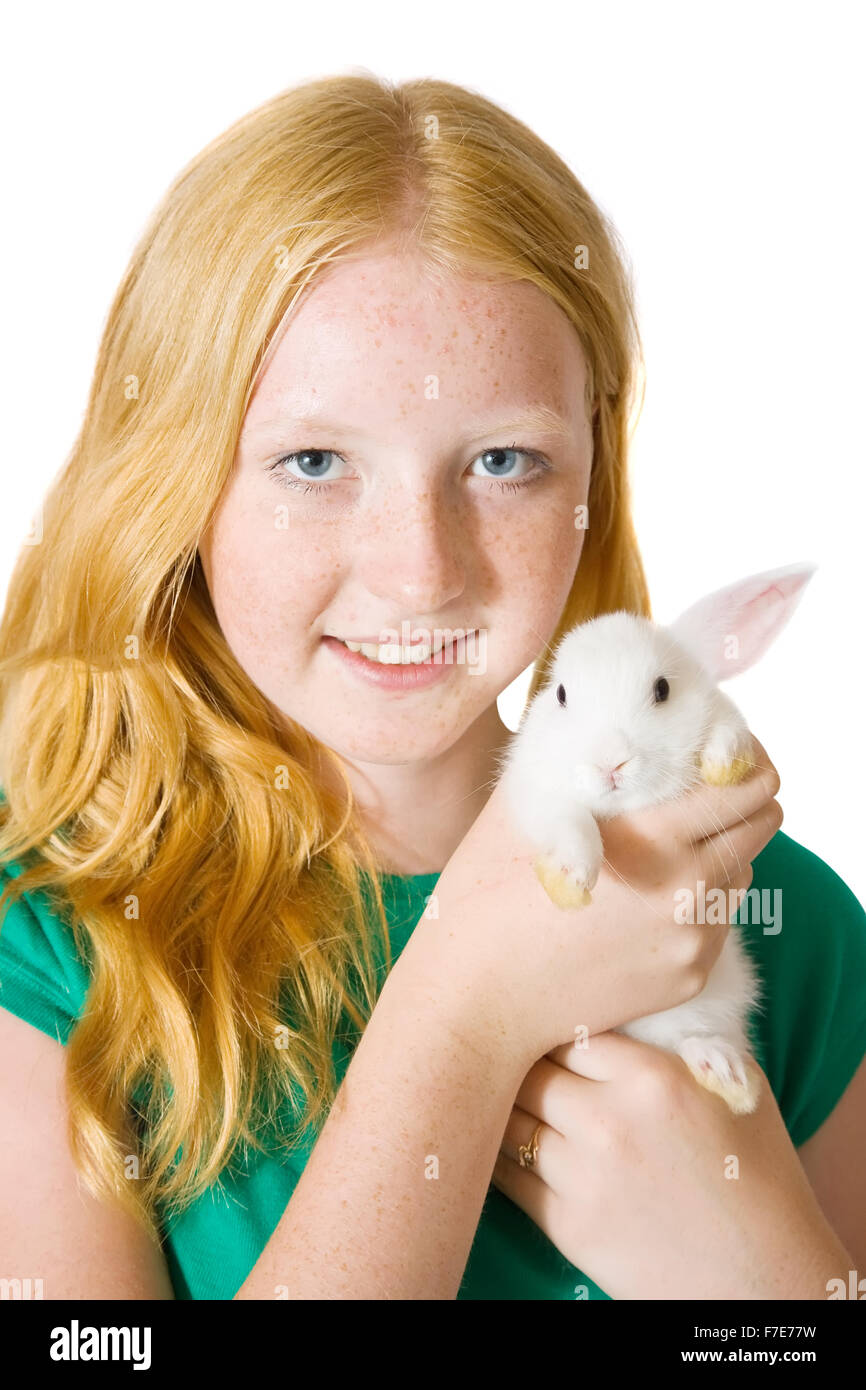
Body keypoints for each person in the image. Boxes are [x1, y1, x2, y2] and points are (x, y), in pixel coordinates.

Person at [0, 73, 863, 1302]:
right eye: (312, 461)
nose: (420, 572)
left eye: (503, 461)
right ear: (177, 484)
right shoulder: (47, 931)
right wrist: (456, 1020)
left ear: (590, 478)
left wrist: (774, 1286)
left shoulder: (780, 921)